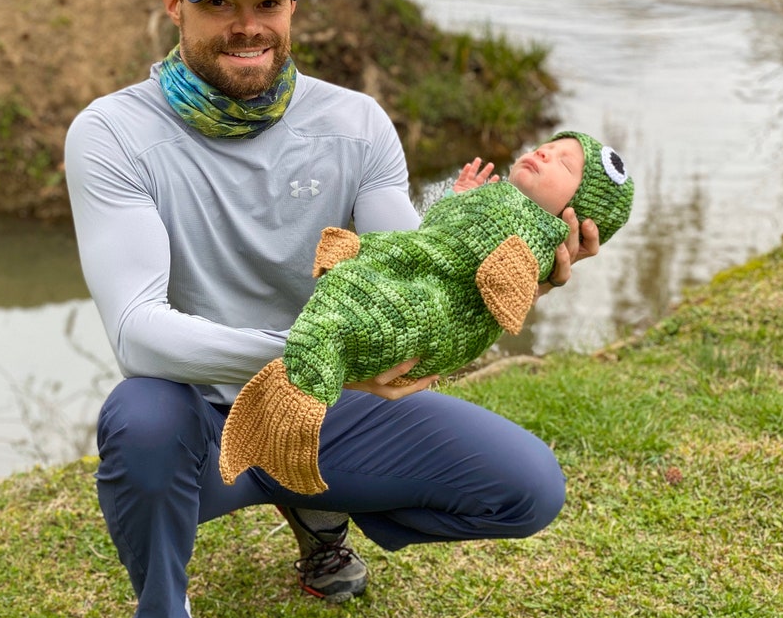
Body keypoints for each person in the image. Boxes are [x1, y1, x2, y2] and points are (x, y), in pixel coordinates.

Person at [64, 0, 603, 618]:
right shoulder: (111, 134)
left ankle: (317, 500)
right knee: (137, 422)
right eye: (218, 2)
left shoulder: (356, 121)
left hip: (332, 406)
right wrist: (319, 358)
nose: (246, 24)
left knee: (528, 488)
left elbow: (414, 275)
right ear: (173, 6)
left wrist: (513, 271)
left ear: (294, 6)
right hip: (198, 411)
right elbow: (136, 332)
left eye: (266, 1)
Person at [219, 130, 634, 497]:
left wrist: (528, 281)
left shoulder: (537, 237)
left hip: (432, 307)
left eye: (563, 163)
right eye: (548, 146)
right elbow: (438, 238)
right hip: (407, 267)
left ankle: (297, 403)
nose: (543, 153)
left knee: (381, 311)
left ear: (577, 214)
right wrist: (457, 202)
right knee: (359, 276)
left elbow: (495, 288)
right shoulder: (495, 196)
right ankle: (299, 400)